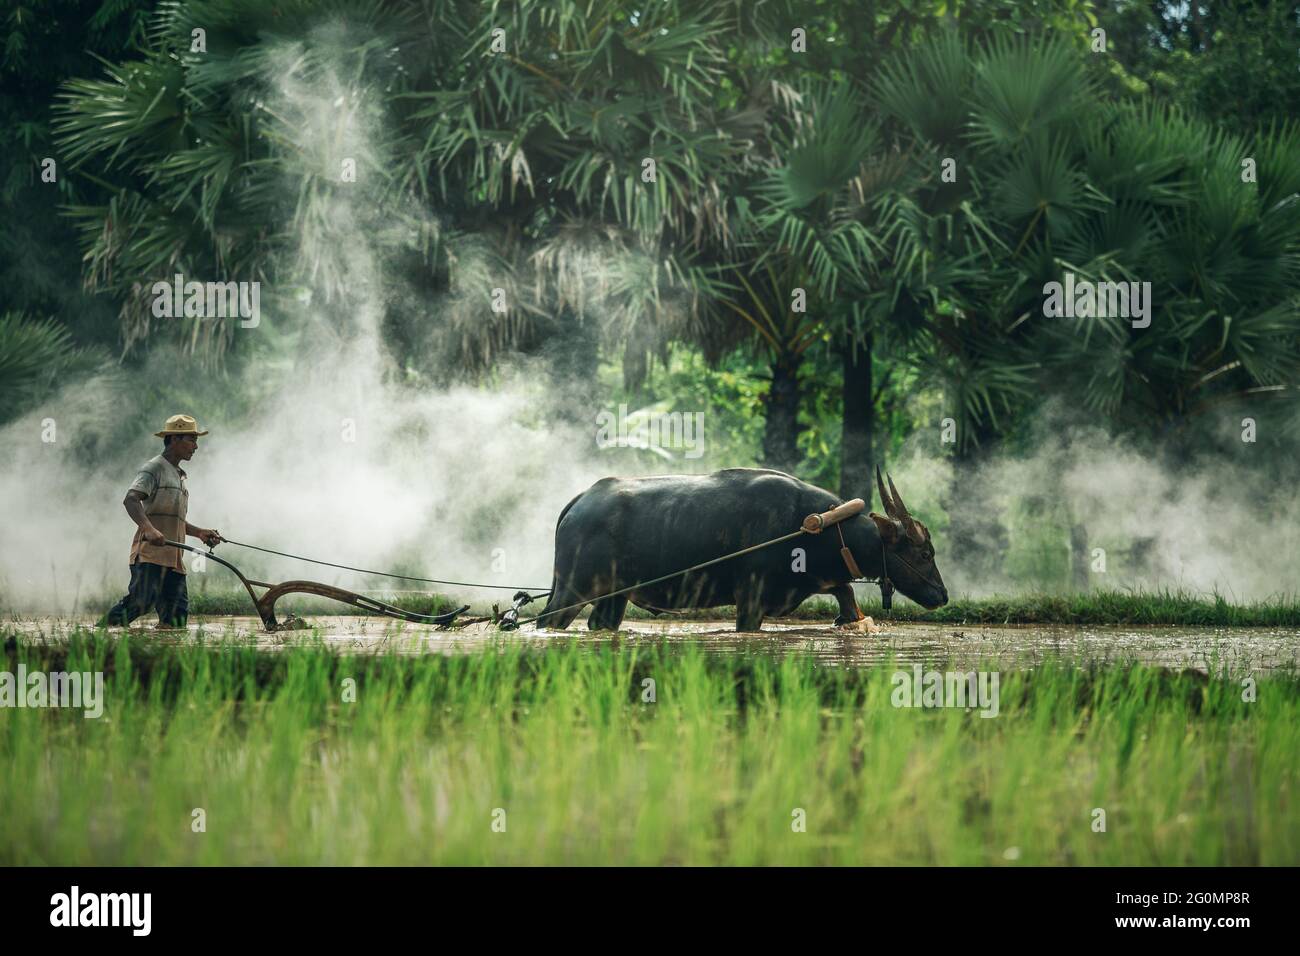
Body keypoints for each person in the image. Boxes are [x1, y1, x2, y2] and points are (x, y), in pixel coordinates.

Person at [100, 414, 224, 629]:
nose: (195, 446)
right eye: (191, 440)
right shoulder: (154, 468)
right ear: (174, 439)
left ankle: (165, 656)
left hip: (174, 560)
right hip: (150, 555)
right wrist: (148, 529)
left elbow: (174, 521)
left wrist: (200, 532)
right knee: (140, 602)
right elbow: (131, 499)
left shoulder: (179, 475)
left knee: (176, 619)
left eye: (196, 441)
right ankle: (98, 637)